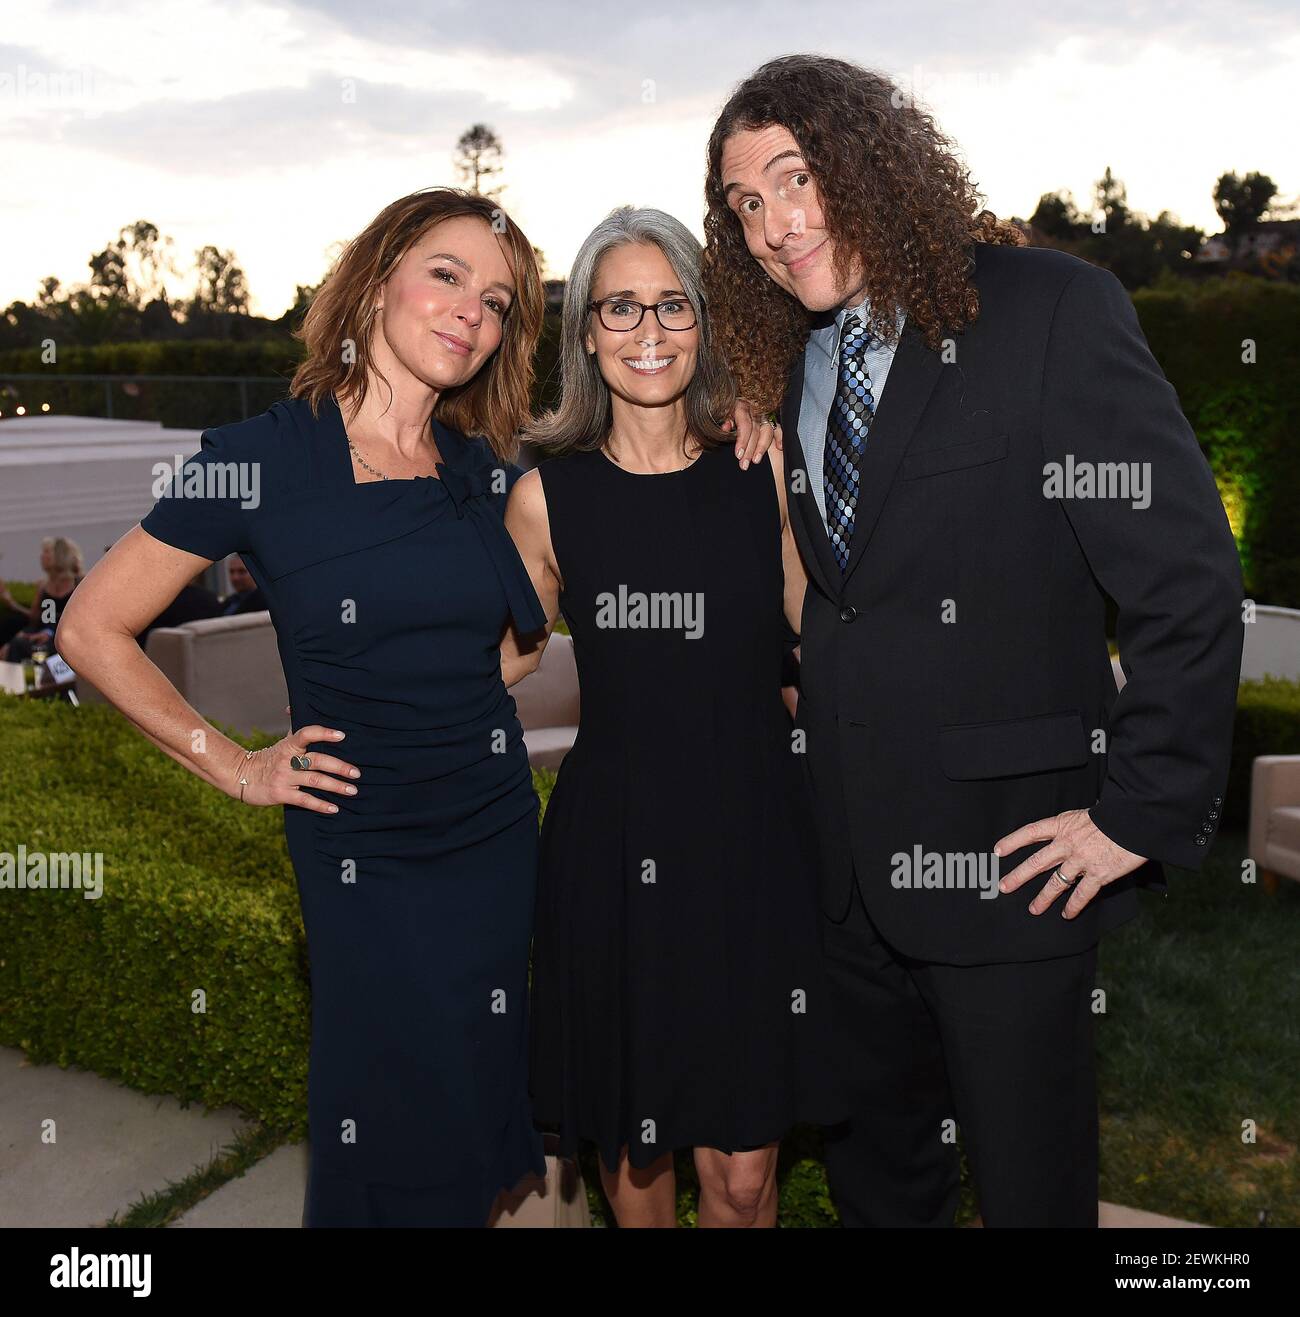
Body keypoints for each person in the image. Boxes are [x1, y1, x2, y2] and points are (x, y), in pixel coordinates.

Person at [702, 55, 1245, 1227]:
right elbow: (843, 595)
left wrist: (1136, 815)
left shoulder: (1047, 310)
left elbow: (1188, 583)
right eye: (744, 205)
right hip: (841, 882)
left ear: (869, 163)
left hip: (1011, 871)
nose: (773, 225)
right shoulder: (791, 367)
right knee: (878, 1191)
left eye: (795, 180)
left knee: (1030, 1195)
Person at [59, 188, 554, 1228]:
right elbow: (91, 629)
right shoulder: (264, 455)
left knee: (471, 1113)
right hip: (364, 848)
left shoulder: (478, 469)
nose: (475, 311)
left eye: (501, 301)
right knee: (387, 1118)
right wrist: (237, 766)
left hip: (496, 833)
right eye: (448, 275)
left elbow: (508, 649)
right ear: (378, 286)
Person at [504, 207, 847, 1227]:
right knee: (640, 1163)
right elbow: (497, 664)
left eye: (671, 304)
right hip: (618, 856)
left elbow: (829, 645)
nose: (647, 330)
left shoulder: (762, 469)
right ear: (586, 331)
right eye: (620, 306)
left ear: (702, 321)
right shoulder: (543, 498)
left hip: (756, 845)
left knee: (744, 1175)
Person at [0, 536, 84, 661]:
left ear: (60, 555)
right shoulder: (43, 587)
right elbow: (38, 620)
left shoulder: (79, 583)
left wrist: (50, 633)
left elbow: (80, 620)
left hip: (68, 638)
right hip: (45, 636)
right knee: (17, 643)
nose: (41, 557)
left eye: (46, 552)